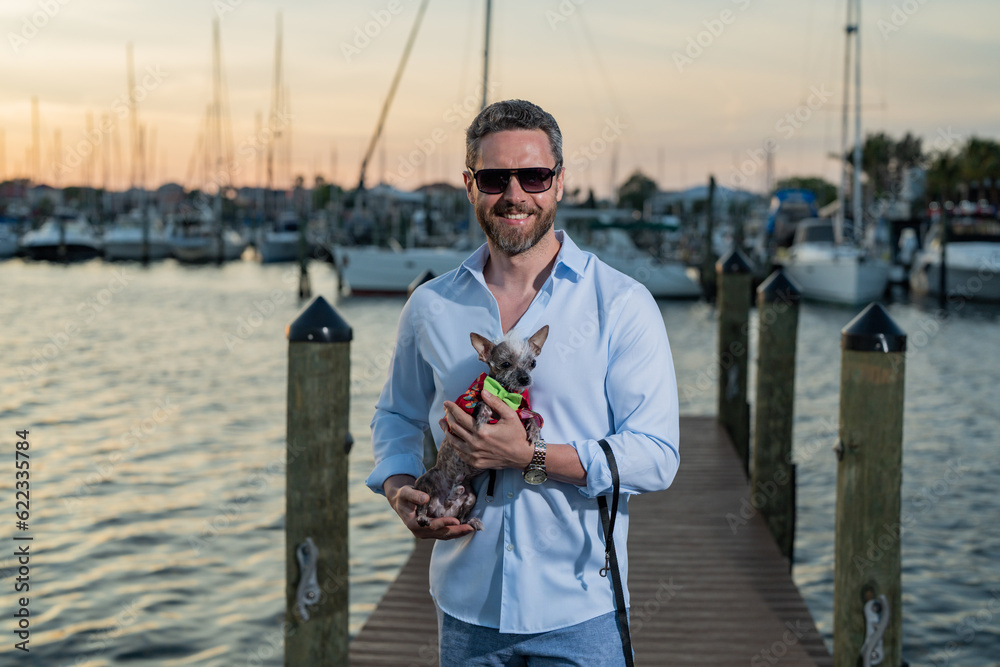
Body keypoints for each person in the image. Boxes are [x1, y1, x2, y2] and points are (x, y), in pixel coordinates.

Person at [365, 99, 680, 666]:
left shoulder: (622, 304)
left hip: (580, 609)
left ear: (558, 182)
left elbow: (656, 456)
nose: (514, 194)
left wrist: (530, 455)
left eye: (533, 176)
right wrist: (397, 486)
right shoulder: (430, 305)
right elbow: (396, 415)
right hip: (466, 606)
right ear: (470, 185)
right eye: (494, 178)